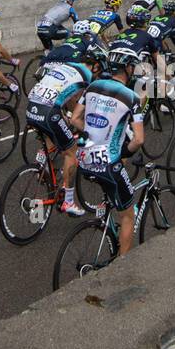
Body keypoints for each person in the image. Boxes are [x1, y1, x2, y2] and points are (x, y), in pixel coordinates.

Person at [67, 48, 146, 254]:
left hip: (85, 159)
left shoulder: (93, 86)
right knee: (128, 215)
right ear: (128, 68)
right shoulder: (131, 97)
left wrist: (94, 135)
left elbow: (74, 118)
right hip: (109, 164)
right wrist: (125, 153)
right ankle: (121, 267)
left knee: (112, 194)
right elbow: (138, 139)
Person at [26, 45, 100, 218]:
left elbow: (70, 95)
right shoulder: (88, 76)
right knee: (72, 153)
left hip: (32, 107)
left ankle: (41, 166)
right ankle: (68, 201)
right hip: (48, 112)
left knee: (51, 139)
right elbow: (83, 107)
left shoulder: (66, 67)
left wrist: (64, 116)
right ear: (95, 66)